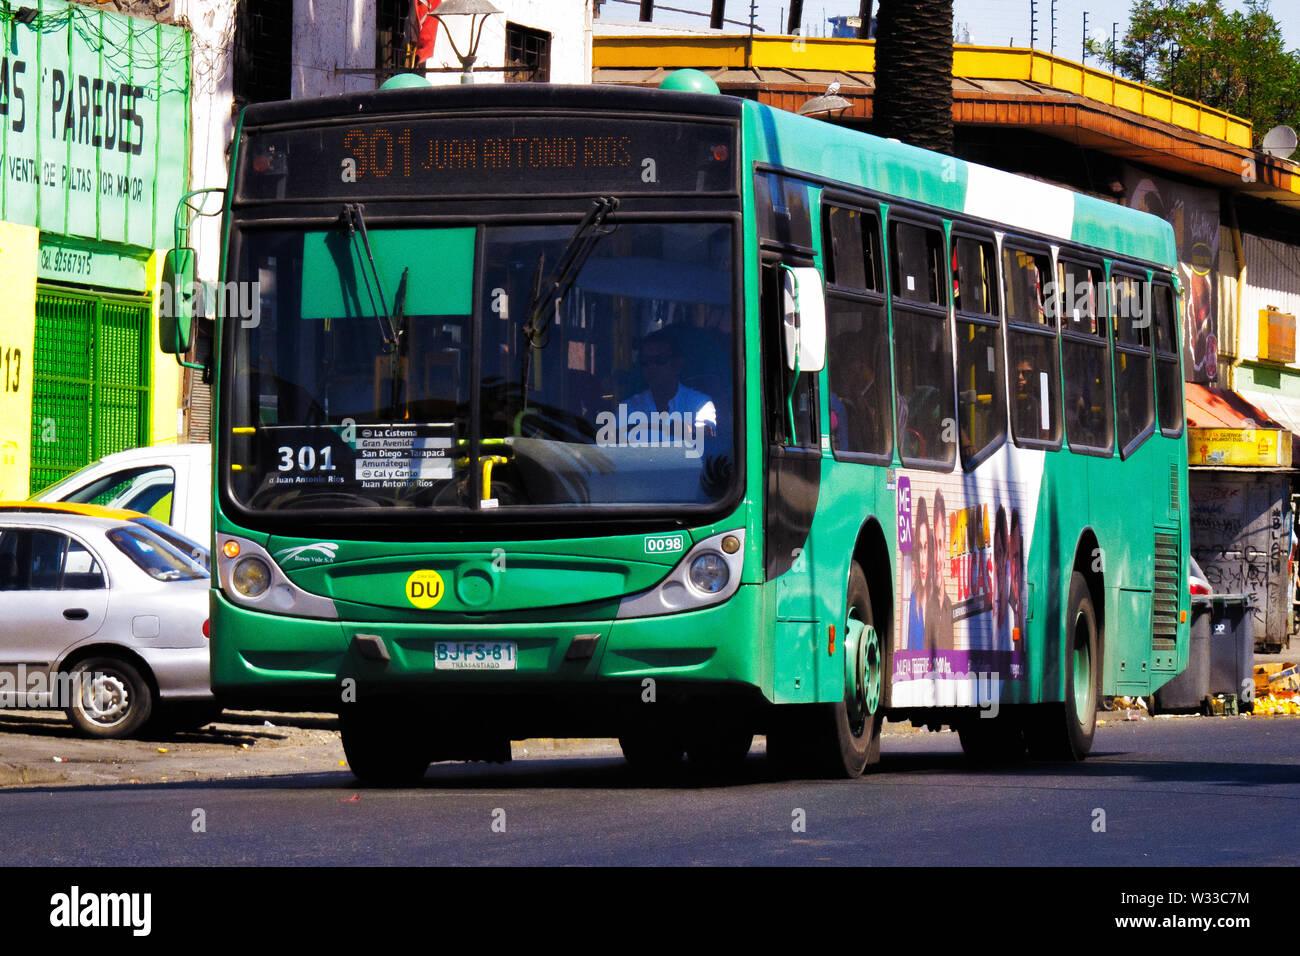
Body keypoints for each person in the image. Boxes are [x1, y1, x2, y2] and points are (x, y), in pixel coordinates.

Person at [622, 328, 717, 439]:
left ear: (677, 364)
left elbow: (708, 437)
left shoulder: (699, 403)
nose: (652, 367)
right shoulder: (629, 407)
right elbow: (613, 443)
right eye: (645, 361)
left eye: (660, 360)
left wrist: (689, 430)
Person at [907, 497, 934, 652]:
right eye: (919, 549)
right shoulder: (913, 600)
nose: (923, 561)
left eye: (926, 548)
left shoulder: (938, 599)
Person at [931, 491, 955, 651]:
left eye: (940, 545)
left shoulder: (949, 606)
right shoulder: (923, 605)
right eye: (934, 547)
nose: (938, 558)